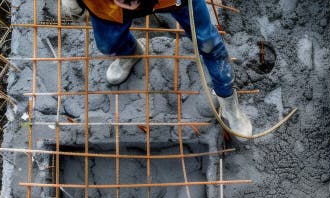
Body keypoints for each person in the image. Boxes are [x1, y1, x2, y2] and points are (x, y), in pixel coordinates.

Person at [70, 0, 252, 136]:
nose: (132, 5)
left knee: (209, 44)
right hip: (107, 5)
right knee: (108, 44)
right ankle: (131, 52)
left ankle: (229, 103)